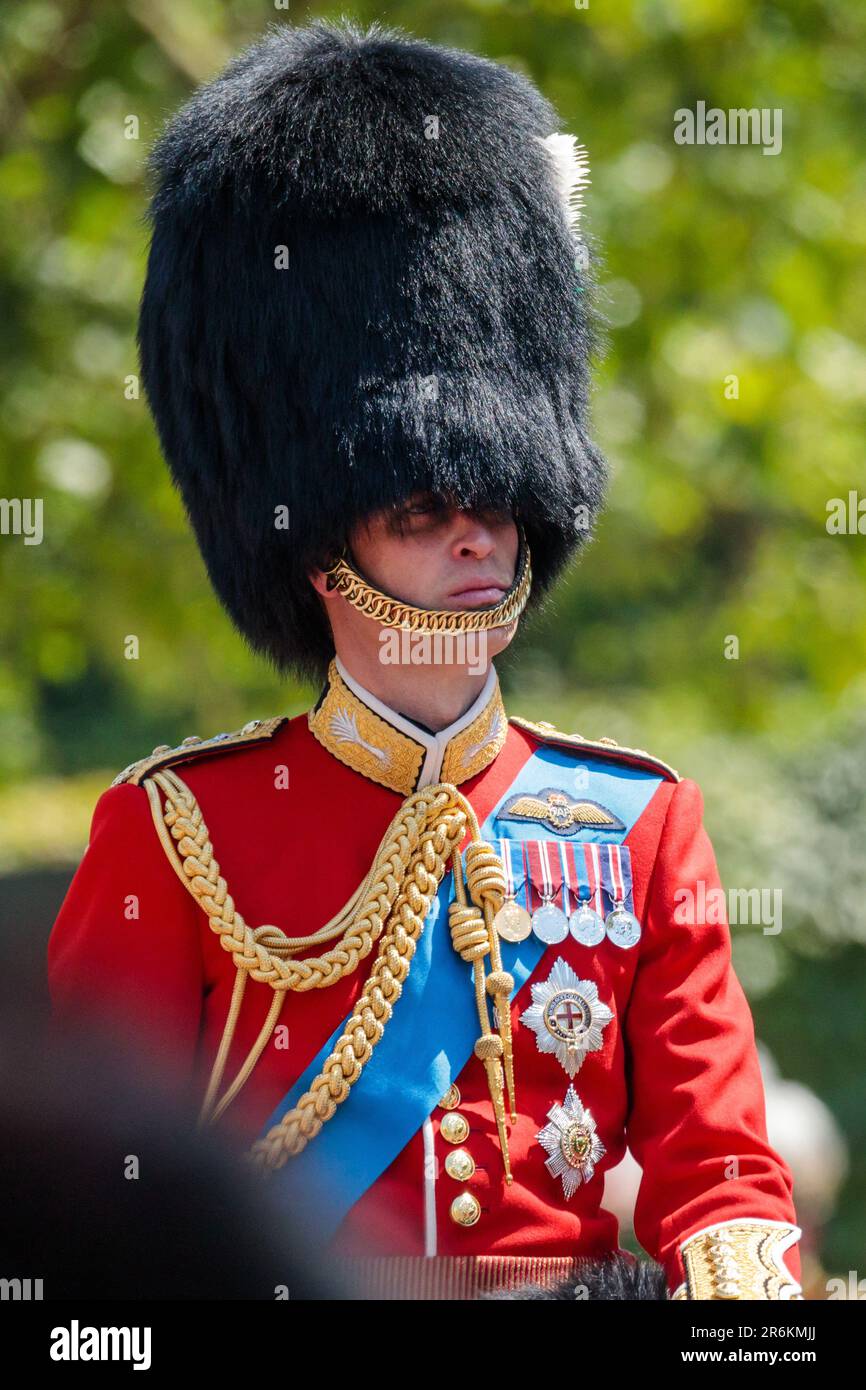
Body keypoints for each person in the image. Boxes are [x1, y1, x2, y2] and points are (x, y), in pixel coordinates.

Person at [47, 18, 803, 1301]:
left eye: (498, 504)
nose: (473, 535)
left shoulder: (639, 824)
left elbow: (718, 1173)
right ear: (315, 543)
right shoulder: (173, 833)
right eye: (416, 508)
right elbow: (83, 1203)